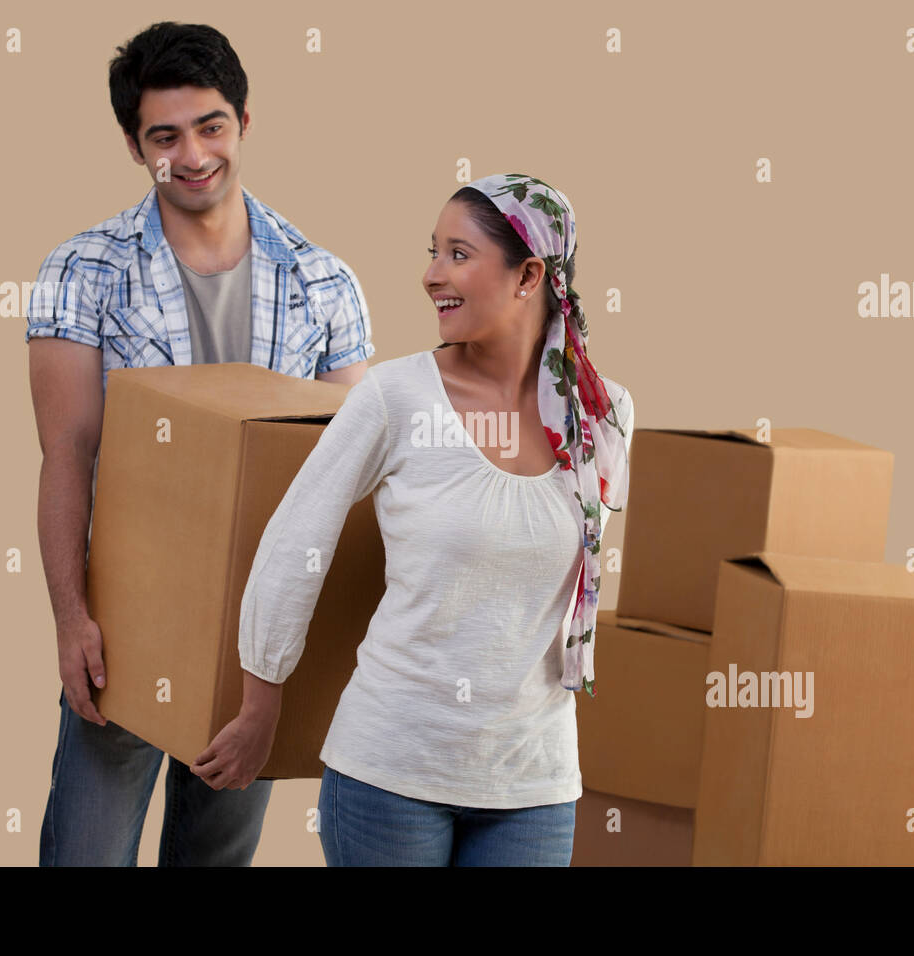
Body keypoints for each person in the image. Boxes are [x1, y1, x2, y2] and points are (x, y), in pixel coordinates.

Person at [190, 173, 635, 866]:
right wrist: (260, 707)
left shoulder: (603, 415)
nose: (431, 276)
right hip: (389, 775)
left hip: (534, 780)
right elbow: (294, 540)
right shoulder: (396, 397)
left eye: (458, 255)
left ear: (528, 275)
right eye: (433, 253)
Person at [25, 21, 375, 866]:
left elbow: (348, 474)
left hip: (260, 631)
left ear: (245, 122)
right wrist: (71, 618)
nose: (192, 154)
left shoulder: (322, 280)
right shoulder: (83, 270)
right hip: (128, 615)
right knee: (85, 853)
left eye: (211, 126)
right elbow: (66, 451)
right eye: (165, 136)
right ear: (134, 145)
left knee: (215, 857)